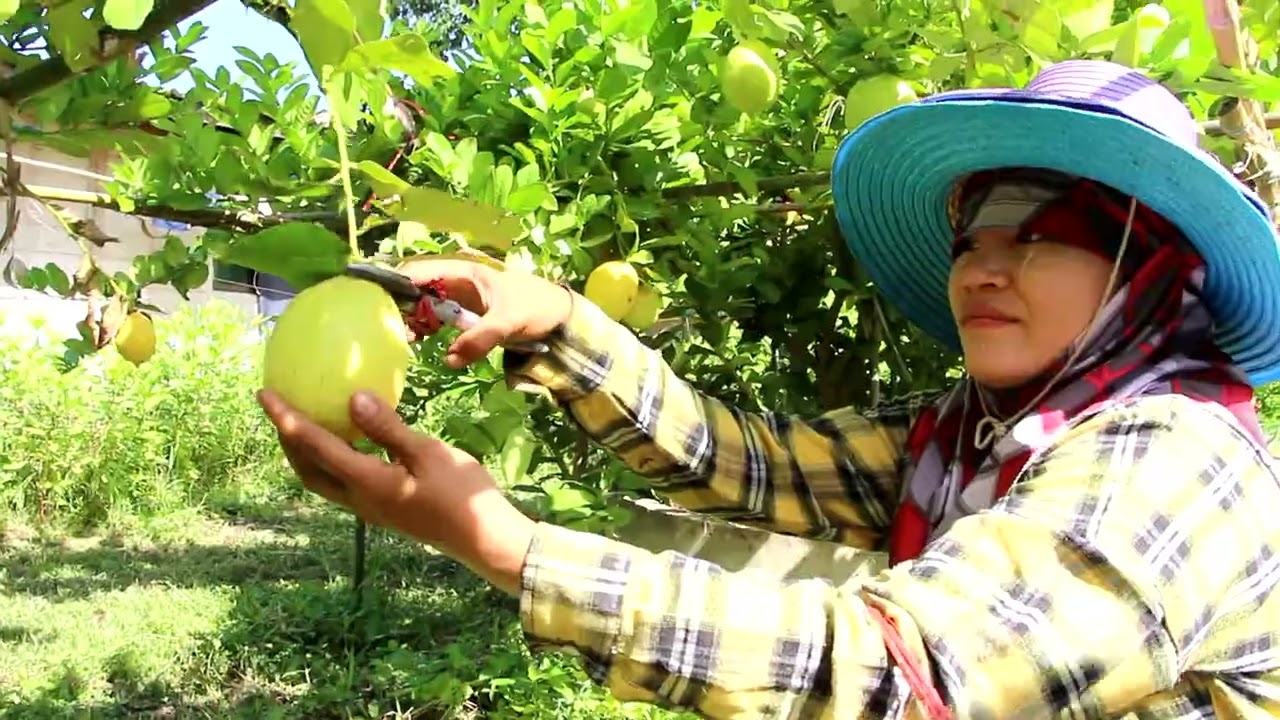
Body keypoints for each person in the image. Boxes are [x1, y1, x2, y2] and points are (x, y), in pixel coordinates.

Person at [256, 60, 1280, 719]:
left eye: (1037, 234)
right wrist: (559, 322)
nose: (977, 267)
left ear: (1145, 267)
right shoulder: (973, 437)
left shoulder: (1173, 459)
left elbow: (912, 680)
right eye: (971, 234)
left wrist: (507, 548)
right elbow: (744, 464)